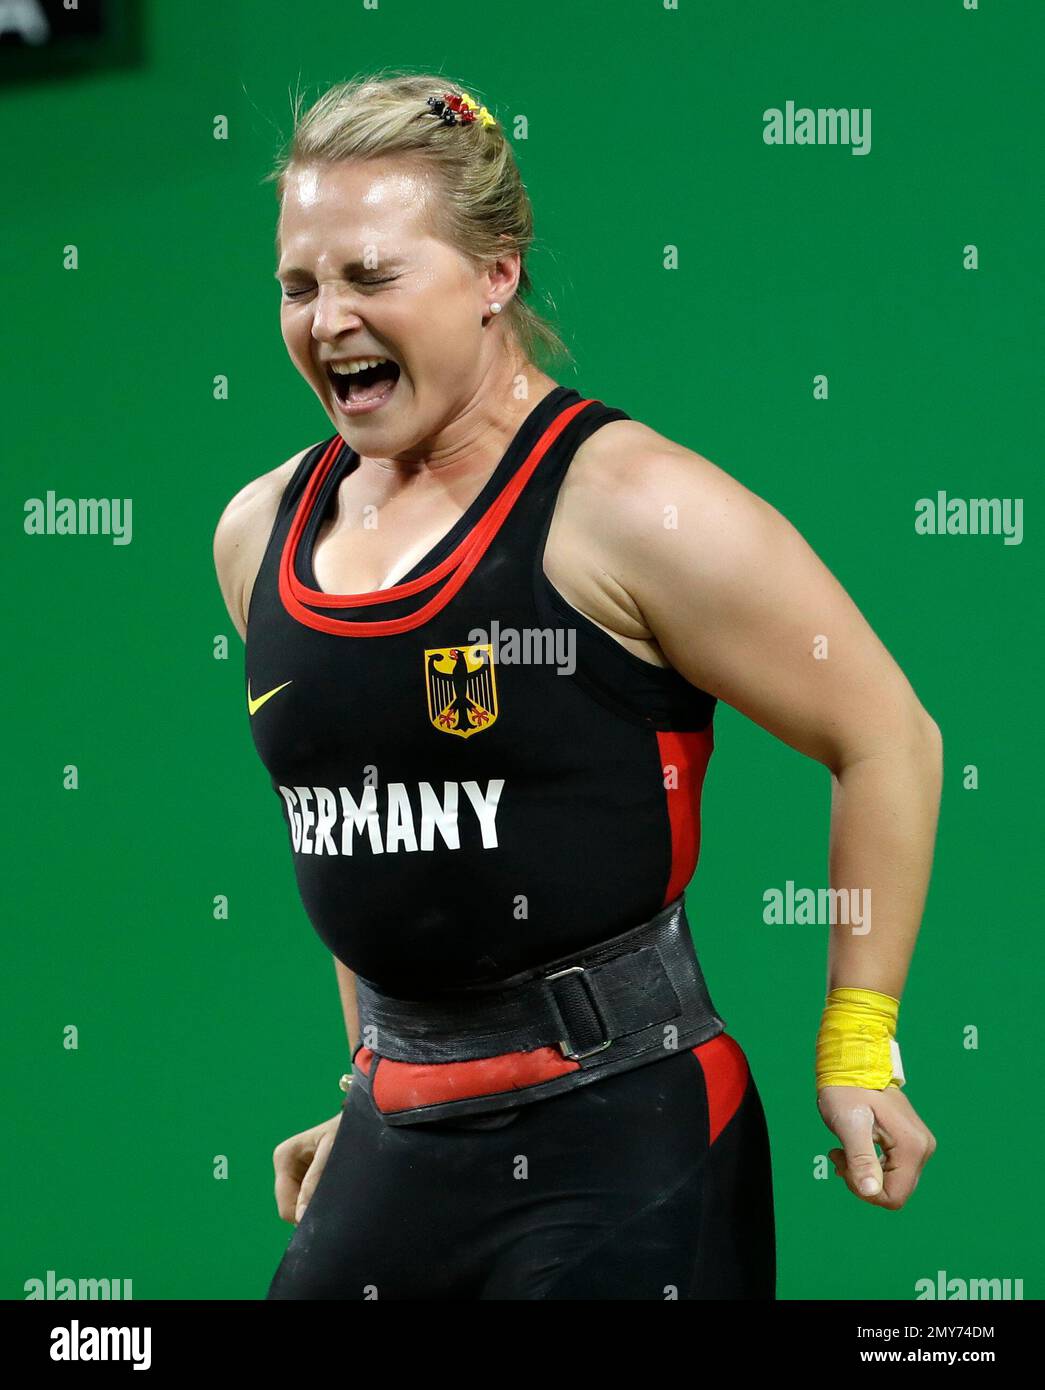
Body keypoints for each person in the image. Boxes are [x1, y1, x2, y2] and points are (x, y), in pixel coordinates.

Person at [213, 72, 940, 1301]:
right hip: (400, 1129)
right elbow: (376, 834)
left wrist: (859, 1044)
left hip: (625, 1130)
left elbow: (888, 736)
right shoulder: (258, 534)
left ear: (496, 273)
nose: (328, 318)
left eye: (373, 278)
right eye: (300, 284)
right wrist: (367, 1080)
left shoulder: (631, 508)